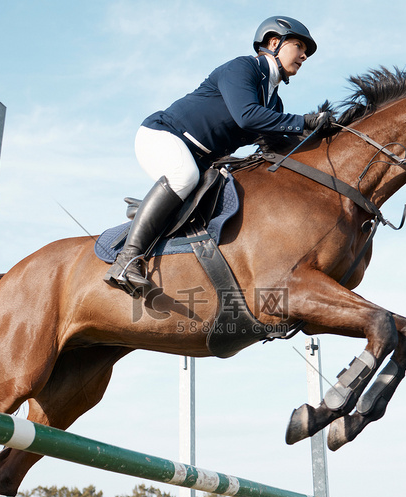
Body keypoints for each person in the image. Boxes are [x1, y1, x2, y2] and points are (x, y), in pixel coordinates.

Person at [104, 16, 329, 296]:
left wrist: (323, 137)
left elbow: (279, 143)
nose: (304, 55)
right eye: (299, 46)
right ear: (274, 42)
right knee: (183, 176)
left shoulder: (273, 100)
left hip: (200, 159)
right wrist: (304, 121)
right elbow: (247, 117)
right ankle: (126, 261)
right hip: (164, 136)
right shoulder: (242, 67)